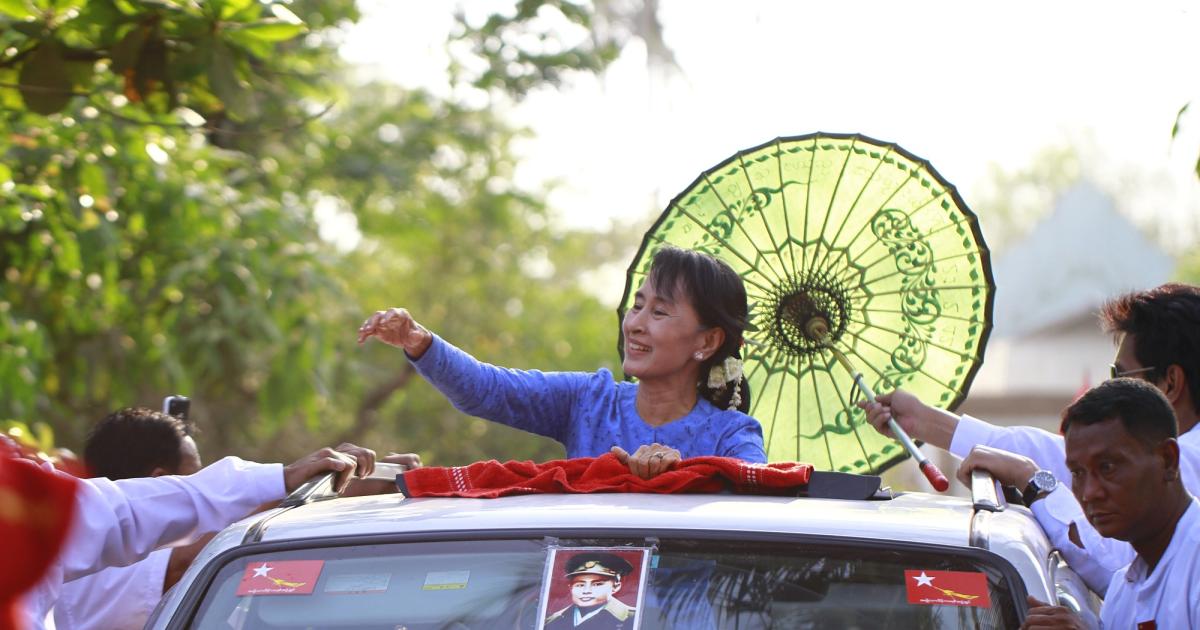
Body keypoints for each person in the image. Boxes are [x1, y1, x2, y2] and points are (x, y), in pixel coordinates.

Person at [859, 283, 1200, 592]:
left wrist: (1033, 482)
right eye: (1082, 474)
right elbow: (1044, 452)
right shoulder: (1141, 577)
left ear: (1170, 383)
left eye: (1121, 376)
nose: (1092, 492)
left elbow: (1113, 568)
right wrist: (923, 420)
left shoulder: (1187, 466)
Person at [358, 245, 766, 478]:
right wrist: (420, 342)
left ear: (708, 340)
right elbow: (487, 390)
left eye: (659, 313)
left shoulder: (732, 436)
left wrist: (681, 479)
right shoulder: (589, 400)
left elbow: (754, 498)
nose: (636, 324)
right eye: (637, 306)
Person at [18, 442, 375, 629]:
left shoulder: (25, 497)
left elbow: (139, 508)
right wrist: (304, 488)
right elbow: (185, 545)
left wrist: (288, 479)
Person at [959, 379, 1200, 629]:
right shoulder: (1124, 589)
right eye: (1077, 473)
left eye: (1107, 467)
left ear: (1168, 460)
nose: (1089, 492)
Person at [55, 408, 204, 630]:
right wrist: (272, 484)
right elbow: (187, 561)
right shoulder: (104, 552)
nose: (204, 489)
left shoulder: (77, 539)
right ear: (161, 480)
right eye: (195, 480)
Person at [544, 552, 637, 629]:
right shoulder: (552, 620)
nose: (586, 591)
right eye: (580, 585)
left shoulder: (634, 618)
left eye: (597, 584)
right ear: (570, 587)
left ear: (615, 587)